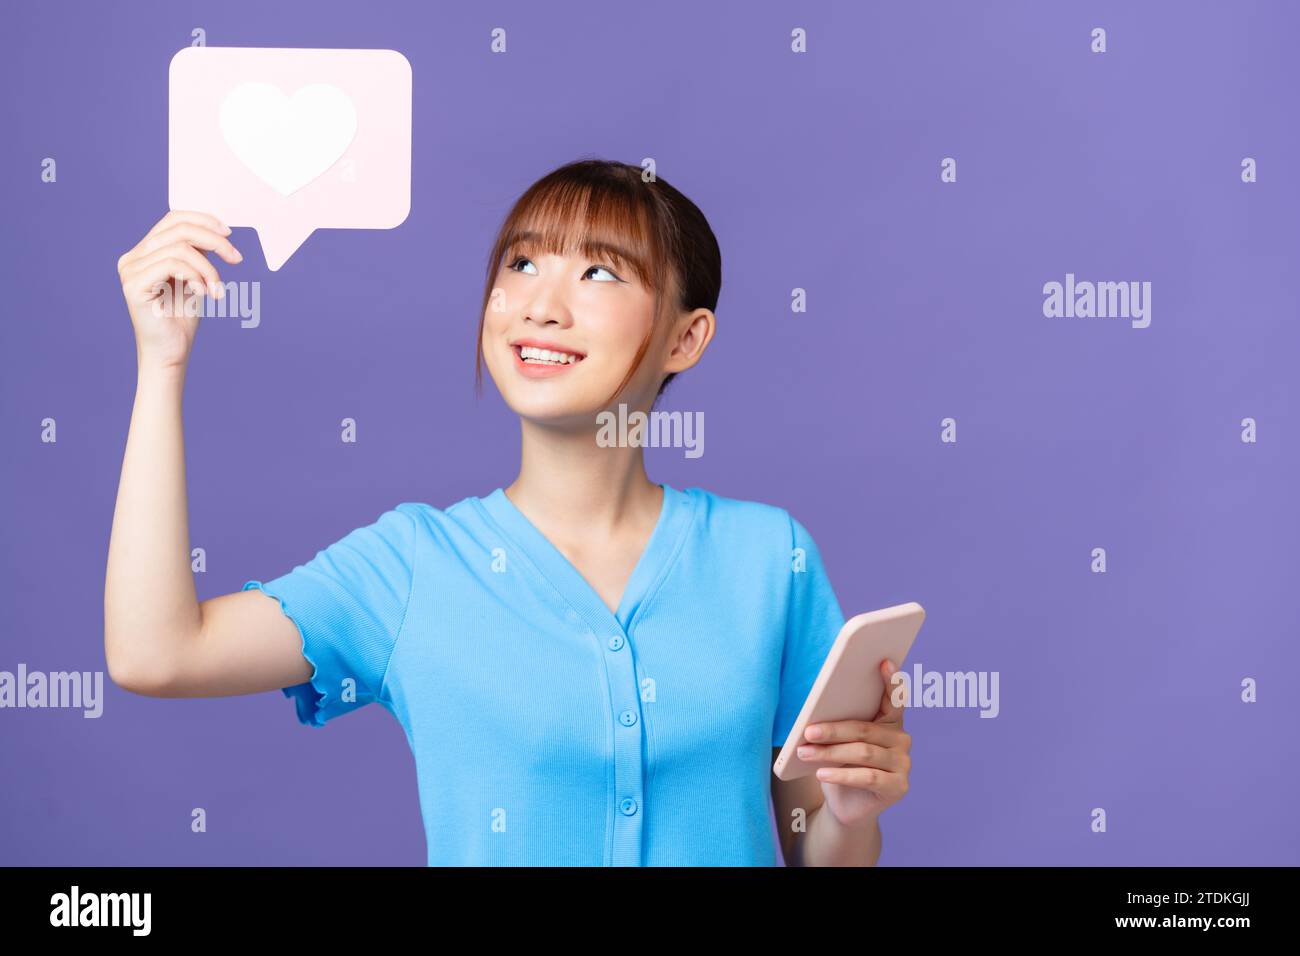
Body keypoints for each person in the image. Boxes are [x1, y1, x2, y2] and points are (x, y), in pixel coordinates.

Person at [104, 158, 912, 866]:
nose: (542, 305)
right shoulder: (414, 566)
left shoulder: (770, 558)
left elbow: (825, 856)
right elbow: (158, 655)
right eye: (523, 263)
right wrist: (161, 362)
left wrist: (853, 811)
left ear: (686, 338)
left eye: (601, 273)